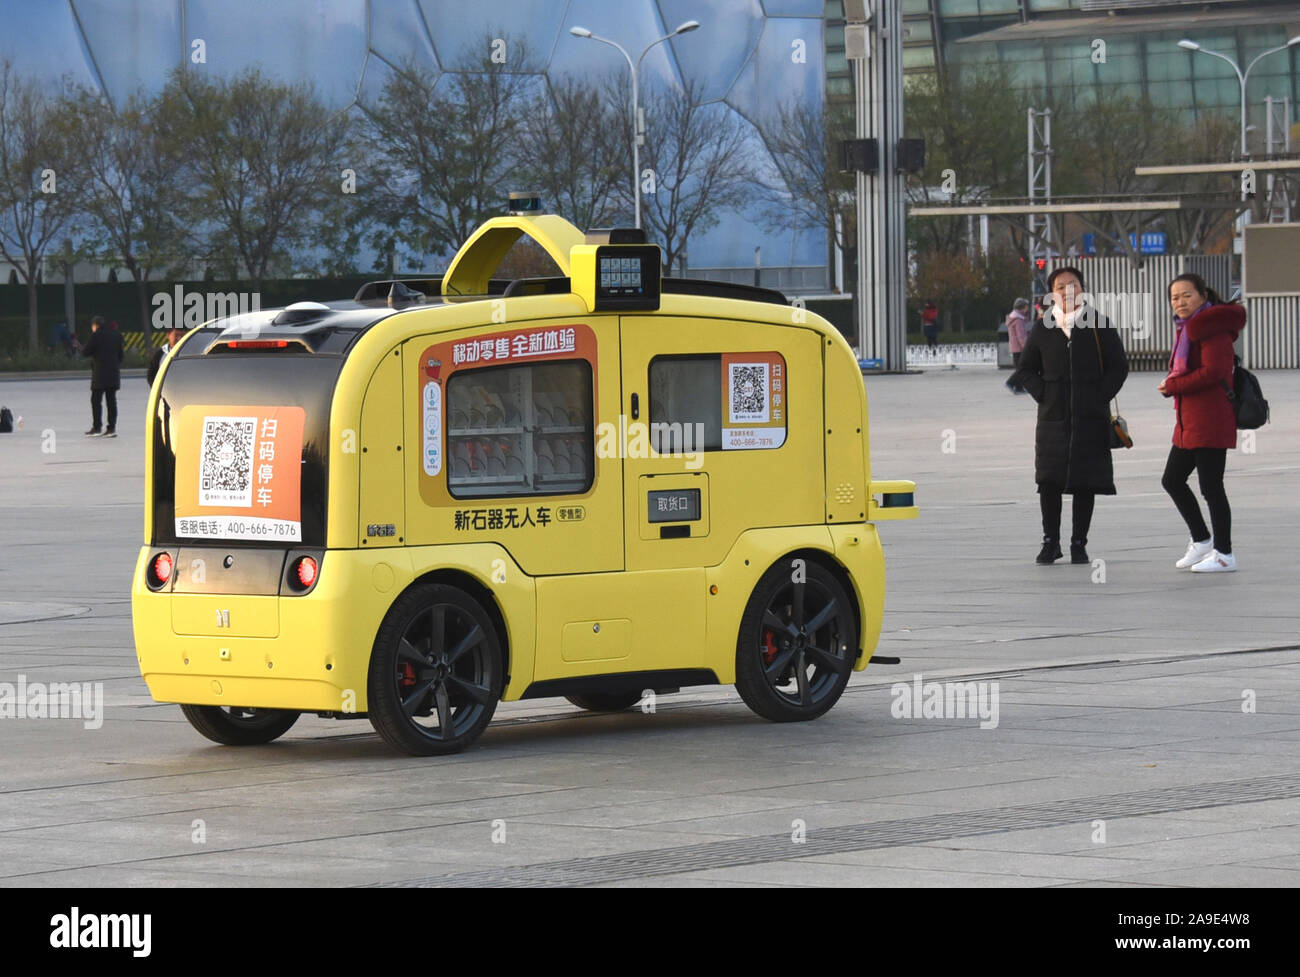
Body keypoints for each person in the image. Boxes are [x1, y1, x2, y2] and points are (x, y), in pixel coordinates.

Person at [1009, 266, 1128, 565]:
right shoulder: (1043, 327)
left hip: (1091, 416)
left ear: (1083, 289)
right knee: (1049, 481)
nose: (1067, 291)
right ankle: (1050, 541)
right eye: (1060, 287)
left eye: (1072, 285)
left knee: (1084, 482)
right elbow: (1025, 369)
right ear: (1052, 293)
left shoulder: (1099, 324)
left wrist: (1099, 395)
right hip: (1052, 419)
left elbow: (1119, 367)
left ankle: (1079, 543)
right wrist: (1044, 394)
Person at [1159, 273, 1245, 573]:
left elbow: (1214, 372)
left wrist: (1174, 386)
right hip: (1189, 420)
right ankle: (1202, 541)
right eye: (1174, 297)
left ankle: (1224, 554)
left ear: (1202, 295)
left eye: (1187, 295)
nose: (1180, 302)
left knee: (1211, 487)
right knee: (1172, 479)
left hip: (1211, 418)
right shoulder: (1188, 329)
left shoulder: (1212, 329)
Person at [82, 314, 123, 438]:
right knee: (111, 401)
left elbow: (86, 352)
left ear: (95, 325)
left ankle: (97, 427)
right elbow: (121, 355)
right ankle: (111, 428)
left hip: (99, 374)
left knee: (96, 401)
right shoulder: (116, 335)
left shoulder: (96, 335)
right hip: (113, 373)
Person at [1005, 298, 1031, 393]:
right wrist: (1026, 348)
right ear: (1022, 307)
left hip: (1015, 348)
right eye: (1026, 307)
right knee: (1022, 369)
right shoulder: (1018, 320)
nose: (1027, 309)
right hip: (1020, 348)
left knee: (1020, 368)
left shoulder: (1015, 318)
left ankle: (1019, 387)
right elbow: (1021, 336)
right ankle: (1011, 382)